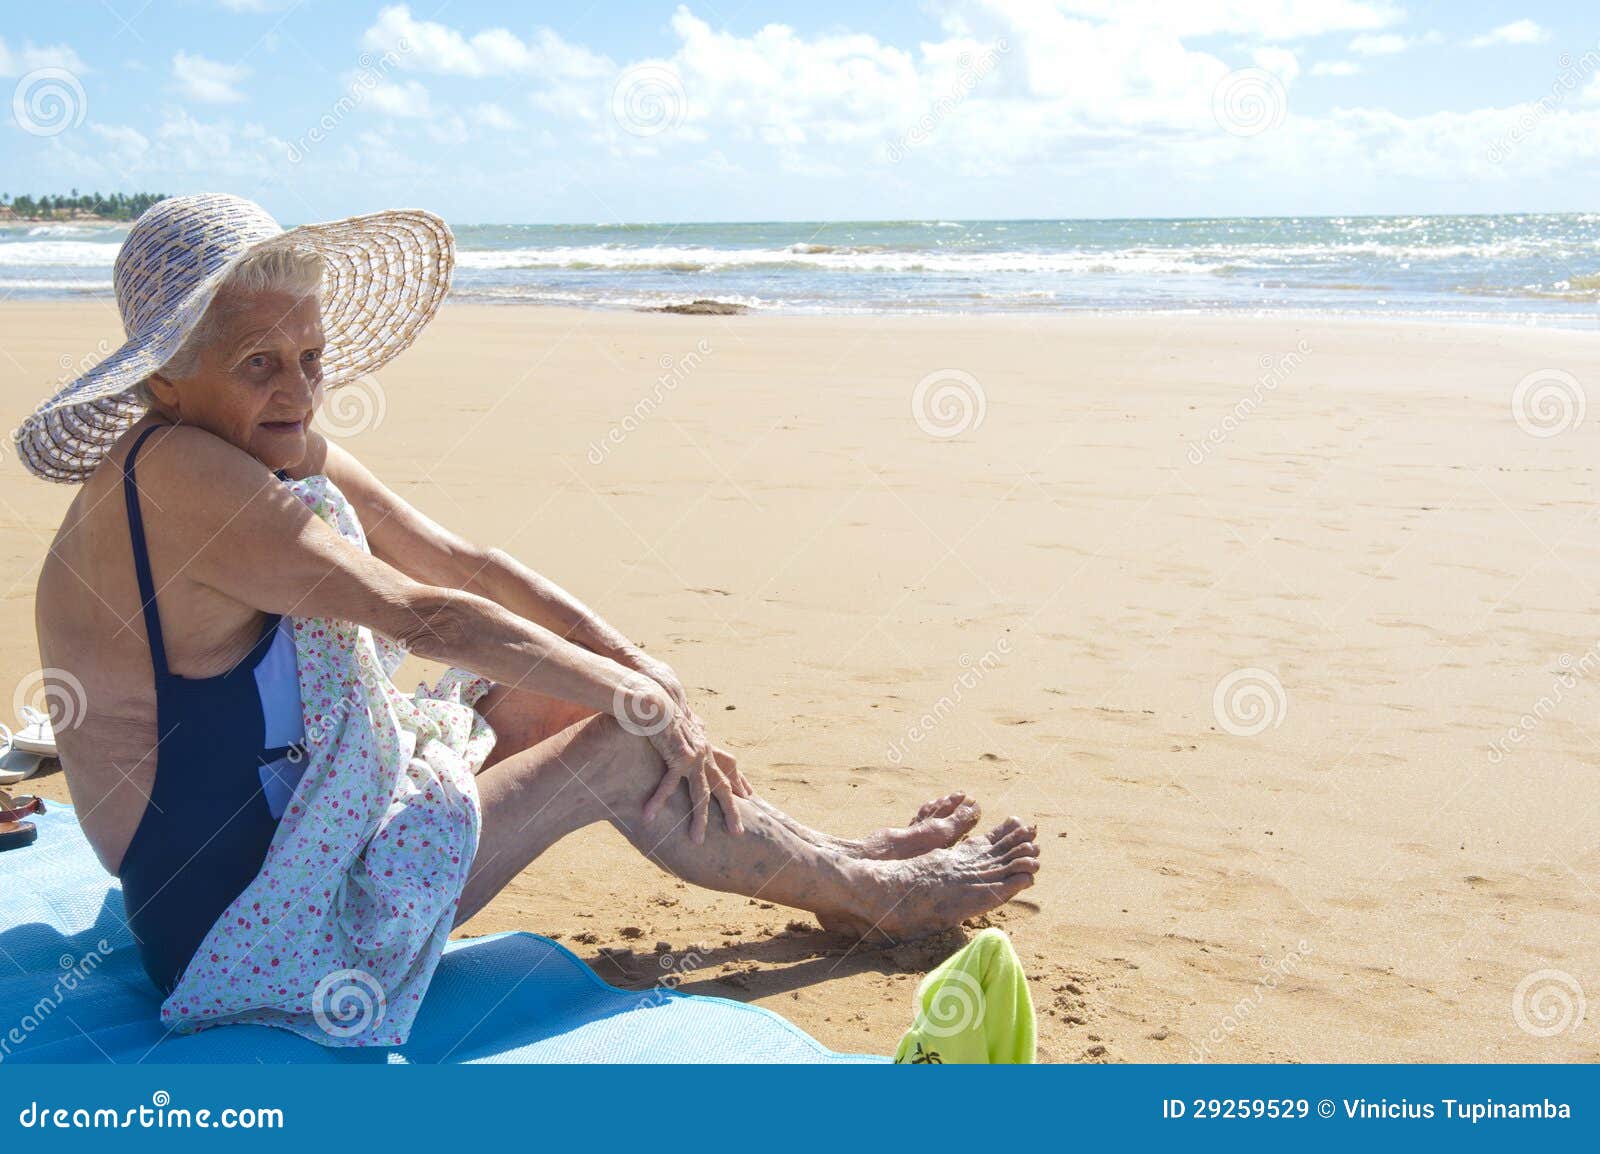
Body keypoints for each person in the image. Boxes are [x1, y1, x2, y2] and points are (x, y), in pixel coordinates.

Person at [18, 193, 1041, 997]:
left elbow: (460, 558)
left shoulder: (243, 439)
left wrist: (639, 666)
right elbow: (421, 609)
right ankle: (875, 892)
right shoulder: (179, 474)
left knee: (579, 696)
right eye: (259, 365)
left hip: (292, 836)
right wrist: (641, 704)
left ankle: (833, 863)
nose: (297, 389)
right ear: (164, 381)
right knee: (625, 737)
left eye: (311, 358)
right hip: (246, 928)